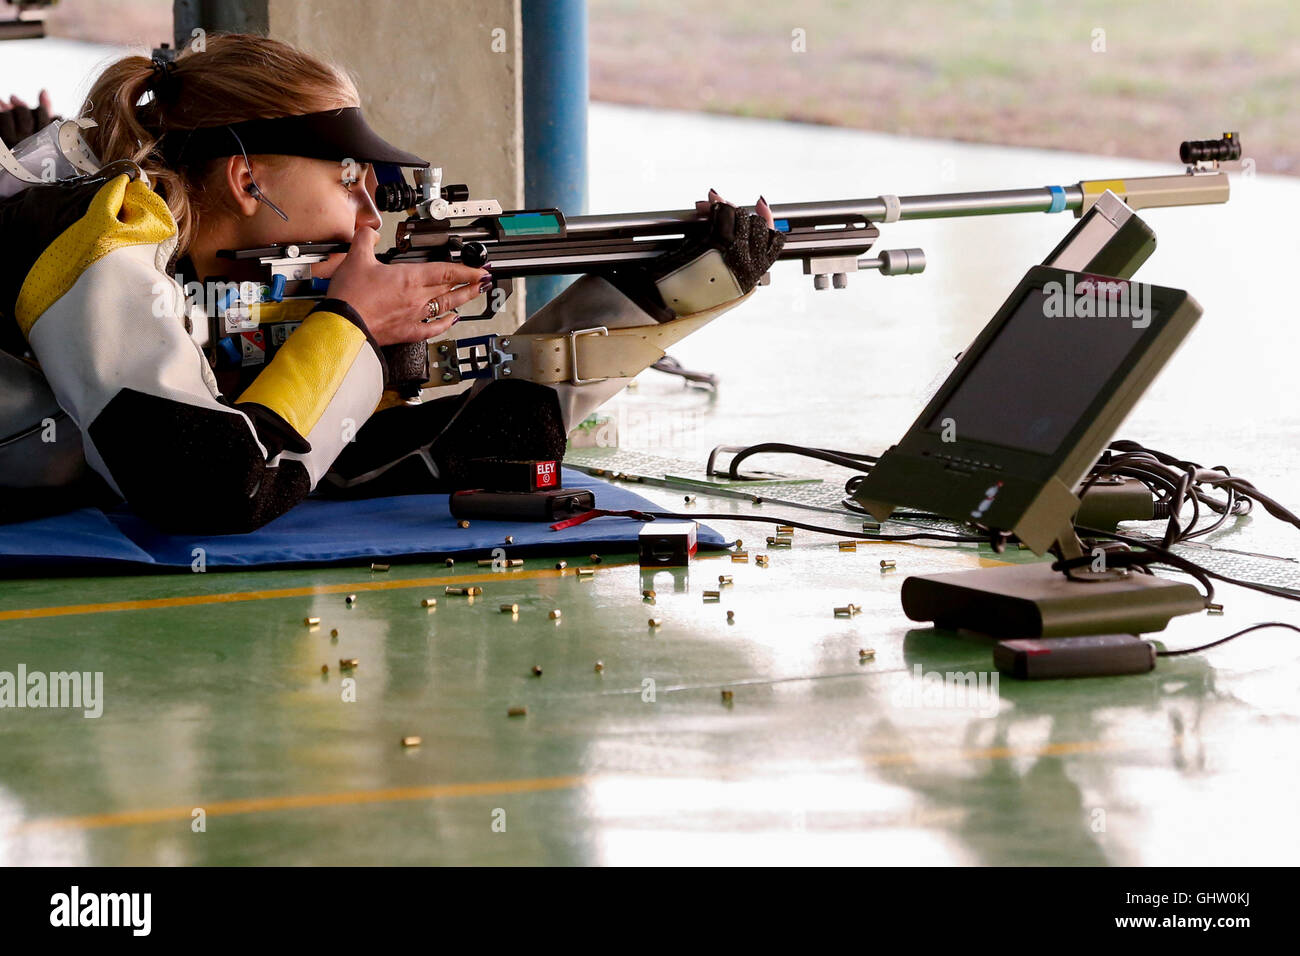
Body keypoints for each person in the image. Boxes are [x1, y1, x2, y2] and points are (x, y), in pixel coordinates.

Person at [0, 35, 782, 533]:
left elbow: (346, 463)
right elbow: (216, 488)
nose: (372, 210)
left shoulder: (193, 265)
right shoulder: (109, 231)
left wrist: (651, 298)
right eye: (349, 179)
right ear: (246, 180)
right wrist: (350, 327)